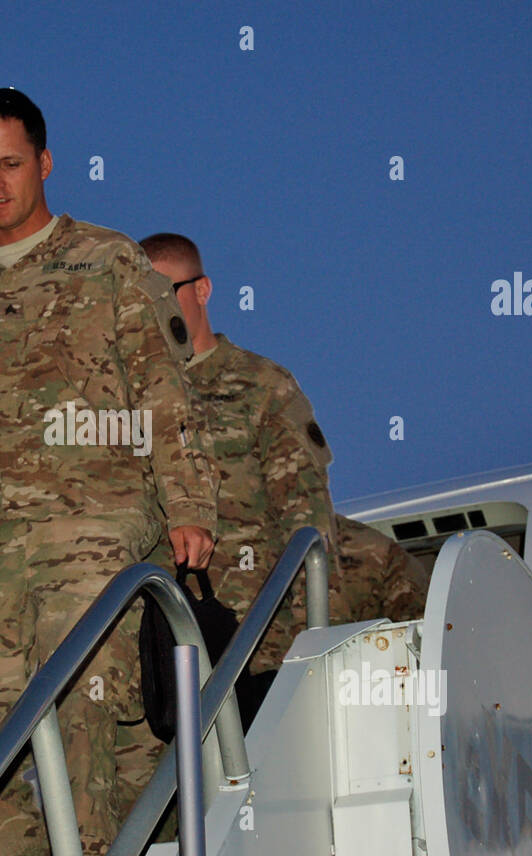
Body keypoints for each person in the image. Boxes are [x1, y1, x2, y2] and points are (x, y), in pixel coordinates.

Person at [0, 88, 218, 856]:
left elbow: (166, 388)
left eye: (13, 164)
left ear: (46, 162)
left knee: (79, 724)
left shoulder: (110, 260)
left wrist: (189, 504)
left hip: (93, 535)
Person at [141, 232, 423, 676]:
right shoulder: (130, 399)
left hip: (255, 644)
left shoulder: (260, 385)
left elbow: (308, 525)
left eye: (167, 292)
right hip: (167, 644)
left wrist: (314, 647)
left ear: (201, 290)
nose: (157, 309)